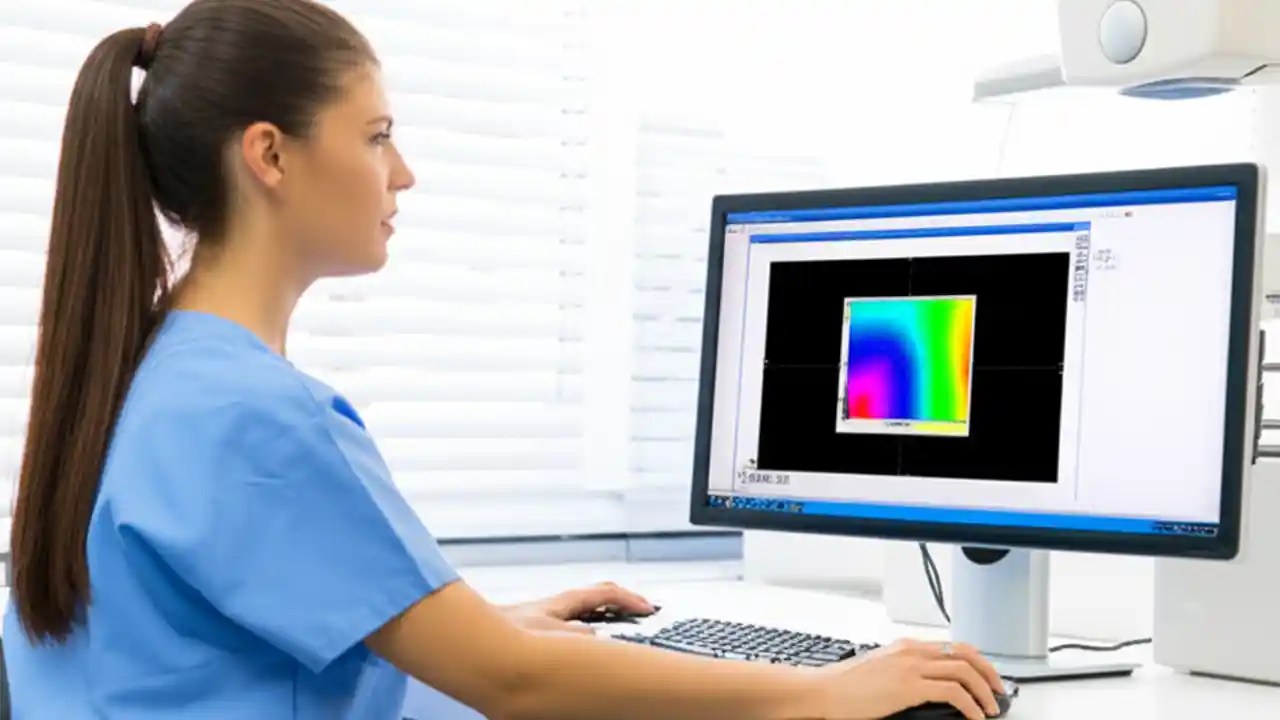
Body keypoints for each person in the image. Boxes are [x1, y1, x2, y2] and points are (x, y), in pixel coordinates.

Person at [1, 1, 1007, 718]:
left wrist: (471, 621)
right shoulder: (253, 416)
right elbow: (511, 687)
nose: (404, 172)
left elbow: (228, 629)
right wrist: (816, 695)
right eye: (377, 135)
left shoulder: (149, 368)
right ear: (268, 155)